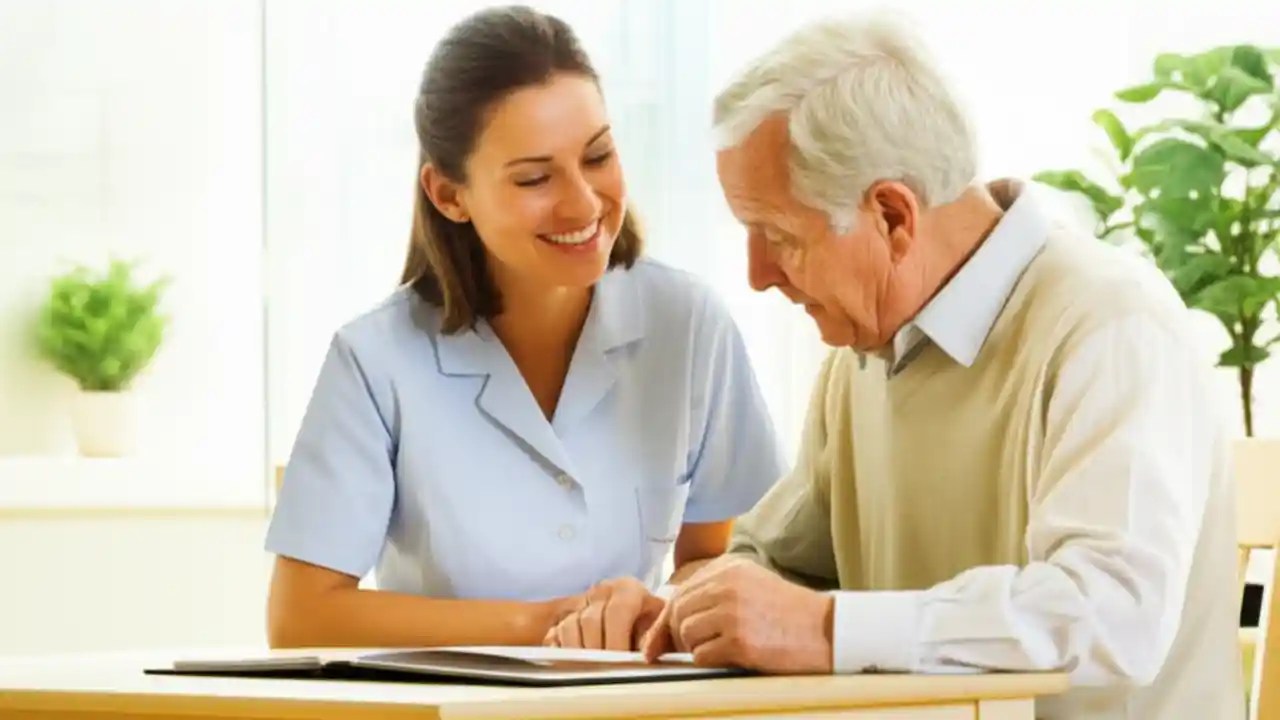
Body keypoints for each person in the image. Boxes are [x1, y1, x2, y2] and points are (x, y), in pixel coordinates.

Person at [558, 12, 1245, 719]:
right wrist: (682, 613)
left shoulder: (1110, 328)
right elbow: (772, 563)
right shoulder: (865, 352)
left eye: (778, 236)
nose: (758, 275)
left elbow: (1112, 617)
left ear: (893, 216)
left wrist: (824, 629)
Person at [263, 5, 785, 651]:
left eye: (598, 156)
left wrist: (661, 613)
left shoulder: (688, 324)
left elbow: (724, 561)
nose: (584, 204)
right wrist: (542, 625)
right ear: (449, 195)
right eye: (535, 178)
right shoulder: (375, 360)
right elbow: (301, 619)